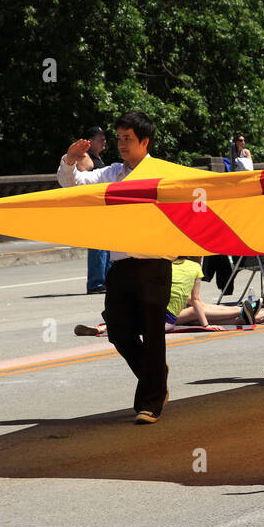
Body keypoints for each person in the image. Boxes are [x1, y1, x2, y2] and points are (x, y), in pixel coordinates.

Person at [59, 111, 174, 424]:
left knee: (153, 334)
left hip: (155, 262)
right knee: (119, 332)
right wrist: (70, 159)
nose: (122, 144)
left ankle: (150, 403)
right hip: (121, 265)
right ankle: (156, 377)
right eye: (119, 138)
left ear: (144, 141)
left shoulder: (162, 174)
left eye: (128, 139)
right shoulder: (110, 173)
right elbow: (74, 186)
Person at [78, 126, 111, 293]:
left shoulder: (97, 158)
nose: (104, 141)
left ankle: (106, 280)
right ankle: (96, 283)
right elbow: (81, 180)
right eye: (101, 139)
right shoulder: (86, 158)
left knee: (107, 245)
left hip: (103, 208)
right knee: (98, 246)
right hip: (93, 208)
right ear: (90, 142)